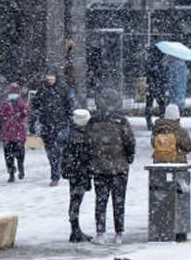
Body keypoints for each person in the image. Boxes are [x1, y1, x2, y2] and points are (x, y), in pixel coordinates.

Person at [88, 89, 135, 245]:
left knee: (100, 201)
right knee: (119, 201)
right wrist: (129, 157)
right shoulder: (122, 121)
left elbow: (87, 144)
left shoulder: (93, 121)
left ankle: (100, 233)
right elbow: (129, 142)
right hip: (119, 168)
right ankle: (118, 233)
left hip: (99, 167)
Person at [30, 66, 72, 186]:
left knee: (57, 150)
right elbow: (35, 106)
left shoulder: (62, 89)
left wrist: (69, 120)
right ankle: (56, 169)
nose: (50, 80)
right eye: (48, 78)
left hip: (60, 124)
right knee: (50, 151)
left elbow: (69, 105)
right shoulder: (42, 90)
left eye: (52, 78)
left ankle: (55, 175)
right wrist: (33, 121)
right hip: (46, 125)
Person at [61, 109, 93, 243]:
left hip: (73, 171)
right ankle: (75, 231)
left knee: (74, 199)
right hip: (81, 172)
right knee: (76, 200)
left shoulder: (70, 132)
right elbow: (86, 155)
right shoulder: (82, 136)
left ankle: (75, 229)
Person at [0, 82, 29, 182]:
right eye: (11, 91)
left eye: (15, 91)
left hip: (19, 132)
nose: (13, 93)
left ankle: (20, 168)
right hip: (7, 133)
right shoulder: (5, 103)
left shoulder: (21, 102)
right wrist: (4, 118)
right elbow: (0, 114)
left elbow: (27, 111)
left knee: (20, 154)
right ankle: (11, 173)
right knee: (8, 155)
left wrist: (22, 113)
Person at [145, 45, 169, 130]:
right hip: (158, 85)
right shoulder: (160, 60)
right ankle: (161, 121)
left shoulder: (150, 59)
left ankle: (149, 122)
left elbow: (148, 72)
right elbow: (163, 74)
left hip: (152, 85)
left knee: (150, 104)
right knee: (161, 104)